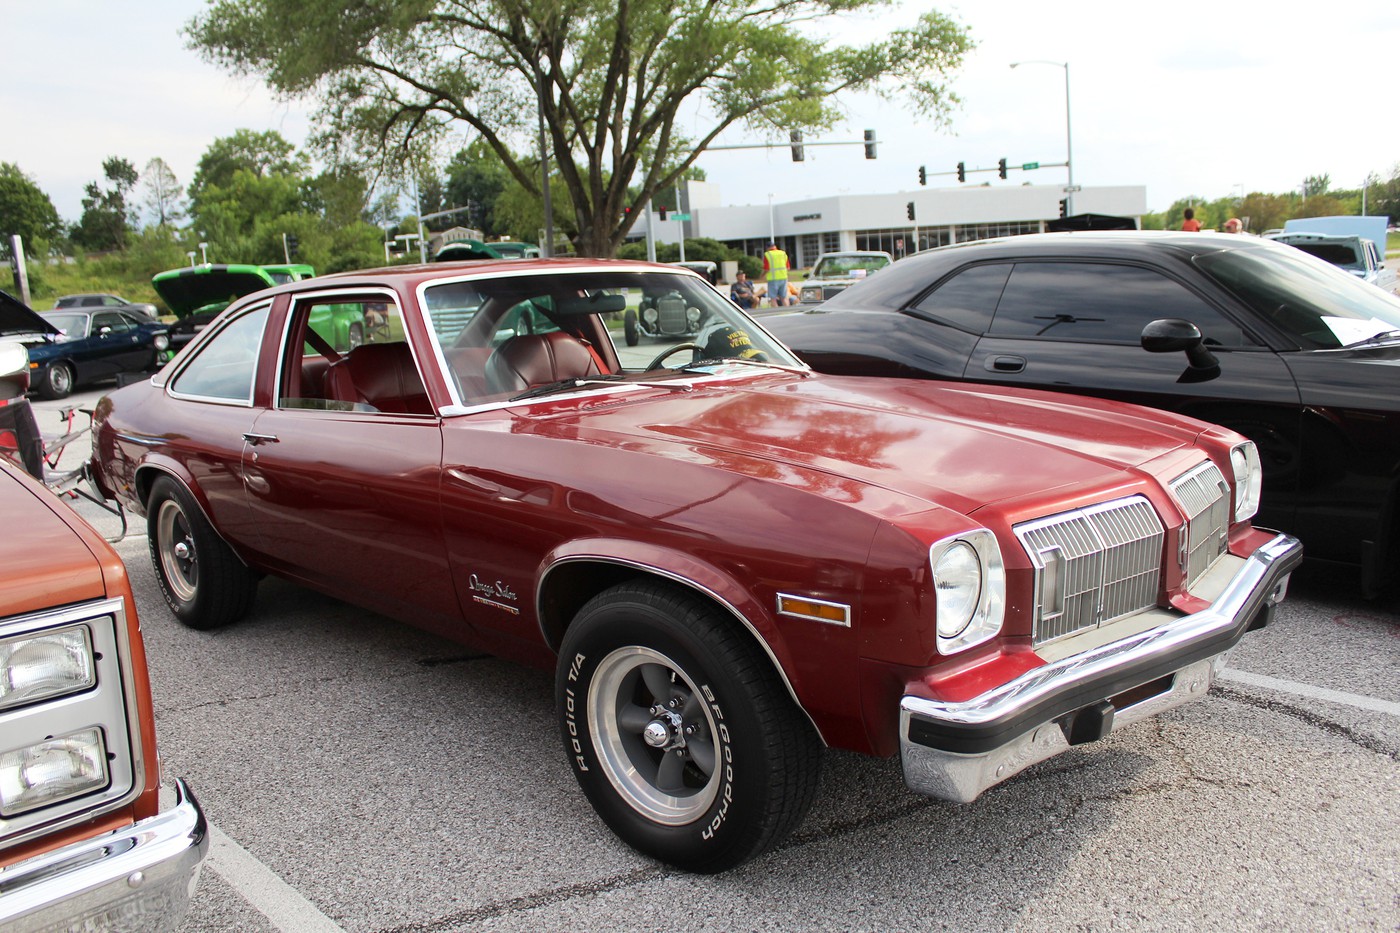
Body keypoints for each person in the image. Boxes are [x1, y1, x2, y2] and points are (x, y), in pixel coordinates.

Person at [762, 242, 791, 307]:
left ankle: (776, 311)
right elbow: (788, 267)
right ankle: (787, 311)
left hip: (773, 279)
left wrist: (761, 276)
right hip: (783, 278)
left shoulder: (768, 254)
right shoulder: (783, 253)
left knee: (773, 298)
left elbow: (766, 269)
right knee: (784, 297)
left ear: (767, 248)